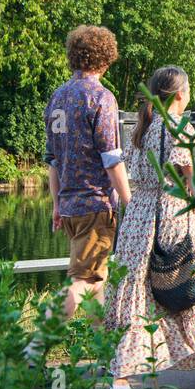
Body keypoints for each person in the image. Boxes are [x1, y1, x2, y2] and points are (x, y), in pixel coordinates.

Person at [104, 66, 195, 389]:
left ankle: (120, 379)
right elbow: (191, 182)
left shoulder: (142, 128)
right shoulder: (181, 127)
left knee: (138, 300)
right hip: (170, 218)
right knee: (188, 290)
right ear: (181, 93)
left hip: (138, 221)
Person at [44, 25, 130, 322]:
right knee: (83, 281)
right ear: (106, 59)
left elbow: (53, 159)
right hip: (96, 205)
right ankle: (34, 347)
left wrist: (56, 205)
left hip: (69, 207)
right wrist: (129, 200)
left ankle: (103, 354)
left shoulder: (57, 98)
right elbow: (111, 158)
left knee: (96, 281)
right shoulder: (101, 98)